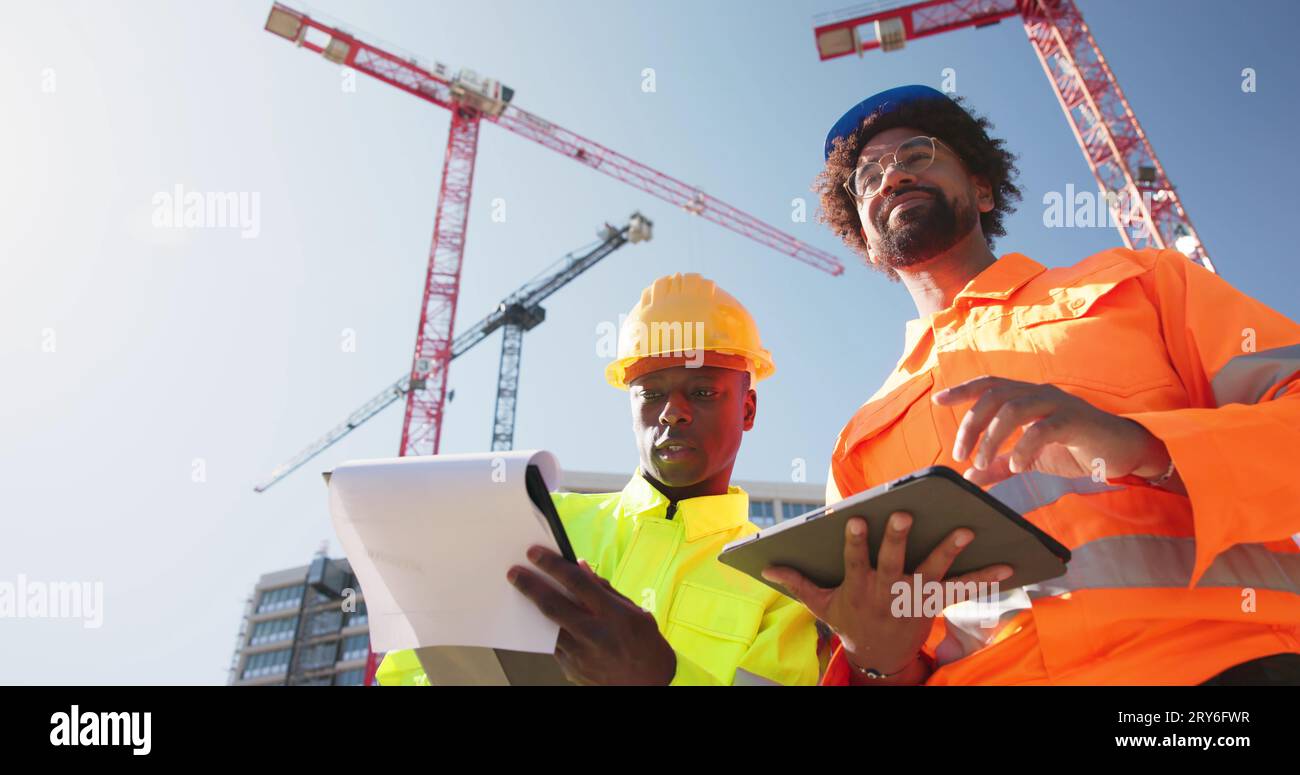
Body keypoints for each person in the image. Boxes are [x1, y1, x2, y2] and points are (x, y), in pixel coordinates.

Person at [763, 84, 1300, 685]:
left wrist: (1145, 447)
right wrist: (877, 658)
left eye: (918, 155)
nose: (892, 177)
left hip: (1223, 665)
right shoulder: (858, 444)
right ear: (864, 236)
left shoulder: (1143, 283)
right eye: (867, 178)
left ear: (983, 189)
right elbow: (886, 651)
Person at [377, 272, 821, 685]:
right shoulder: (536, 522)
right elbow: (405, 673)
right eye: (651, 393)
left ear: (747, 410)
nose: (672, 412)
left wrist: (661, 677)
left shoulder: (778, 582)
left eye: (703, 391)